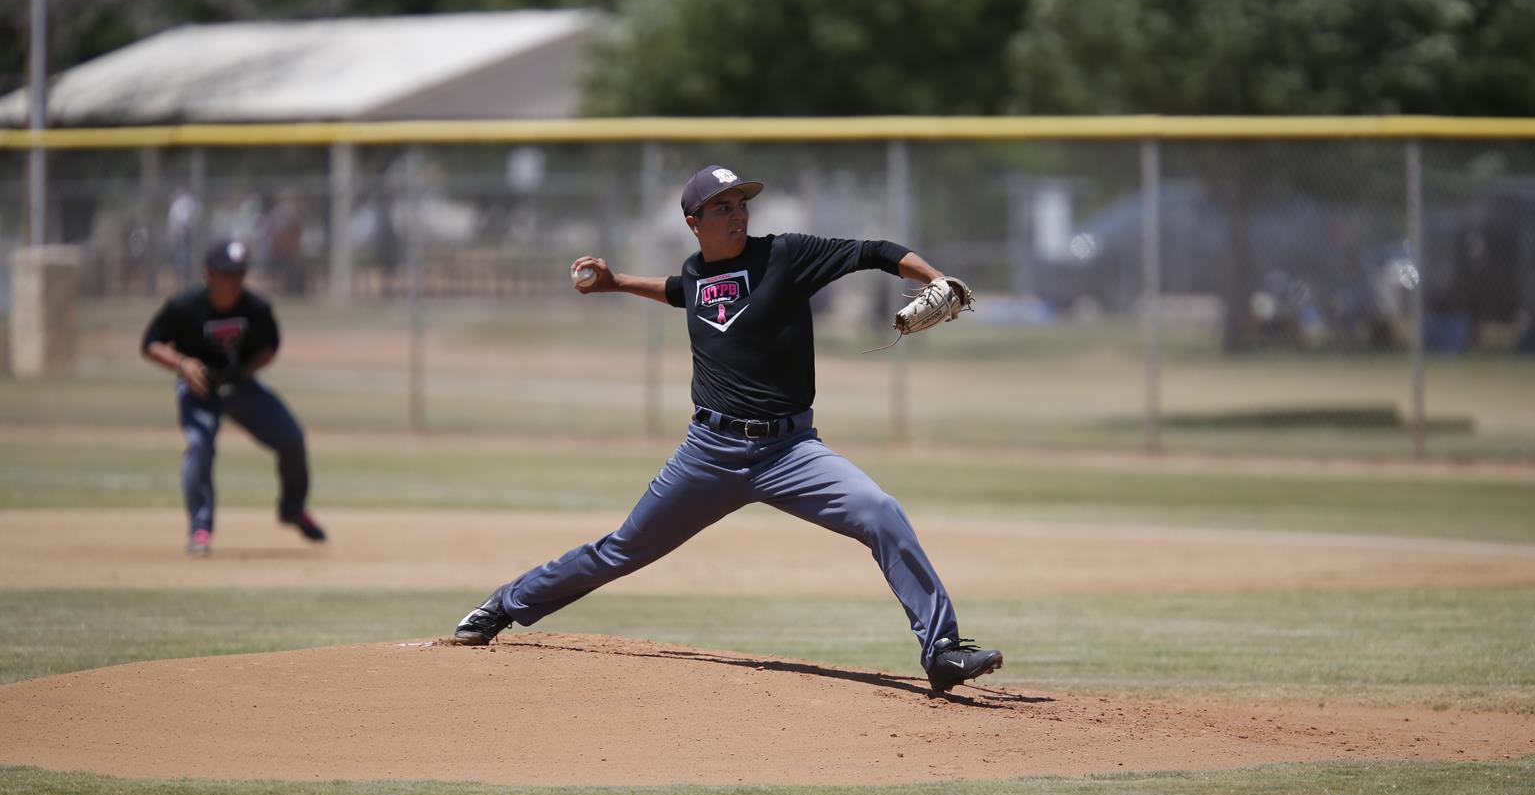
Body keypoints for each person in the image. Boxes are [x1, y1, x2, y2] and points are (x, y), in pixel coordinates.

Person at [448, 164, 1003, 694]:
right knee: (622, 549)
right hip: (708, 454)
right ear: (695, 222)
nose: (738, 215)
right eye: (722, 208)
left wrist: (933, 277)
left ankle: (942, 649)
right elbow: (678, 290)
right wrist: (615, 282)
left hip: (791, 451)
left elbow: (875, 252)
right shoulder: (696, 272)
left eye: (740, 204)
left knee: (880, 512)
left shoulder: (785, 255)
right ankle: (508, 602)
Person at [140, 238, 327, 556]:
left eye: (240, 274)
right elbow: (150, 344)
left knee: (292, 438)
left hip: (241, 386)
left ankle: (293, 509)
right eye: (227, 274)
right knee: (199, 445)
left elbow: (271, 346)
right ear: (208, 274)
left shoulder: (256, 308)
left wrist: (248, 370)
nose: (234, 282)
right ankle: (200, 528)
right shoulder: (185, 307)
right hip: (198, 389)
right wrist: (183, 364)